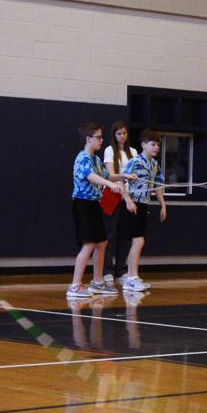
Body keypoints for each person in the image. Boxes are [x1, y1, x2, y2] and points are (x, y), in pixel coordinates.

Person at [69, 123, 129, 300]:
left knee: (102, 242)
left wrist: (123, 176)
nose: (102, 140)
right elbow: (91, 176)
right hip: (82, 204)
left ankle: (97, 282)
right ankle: (75, 285)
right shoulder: (83, 158)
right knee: (88, 244)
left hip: (95, 204)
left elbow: (106, 175)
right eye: (99, 137)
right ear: (89, 139)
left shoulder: (95, 159)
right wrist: (110, 185)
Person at [121, 130, 168, 292]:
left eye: (158, 145)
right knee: (138, 241)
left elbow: (158, 185)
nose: (156, 147)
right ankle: (131, 278)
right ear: (143, 145)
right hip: (133, 204)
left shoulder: (154, 164)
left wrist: (163, 204)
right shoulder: (135, 161)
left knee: (139, 241)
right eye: (153, 144)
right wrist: (128, 201)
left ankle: (131, 276)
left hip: (144, 205)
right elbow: (120, 181)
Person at [103, 121, 147, 290]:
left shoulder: (133, 151)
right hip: (114, 195)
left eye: (125, 133)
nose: (123, 136)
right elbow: (111, 175)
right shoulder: (109, 150)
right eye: (119, 133)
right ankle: (107, 270)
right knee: (111, 234)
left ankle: (121, 271)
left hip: (130, 196)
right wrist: (125, 178)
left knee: (124, 235)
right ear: (114, 135)